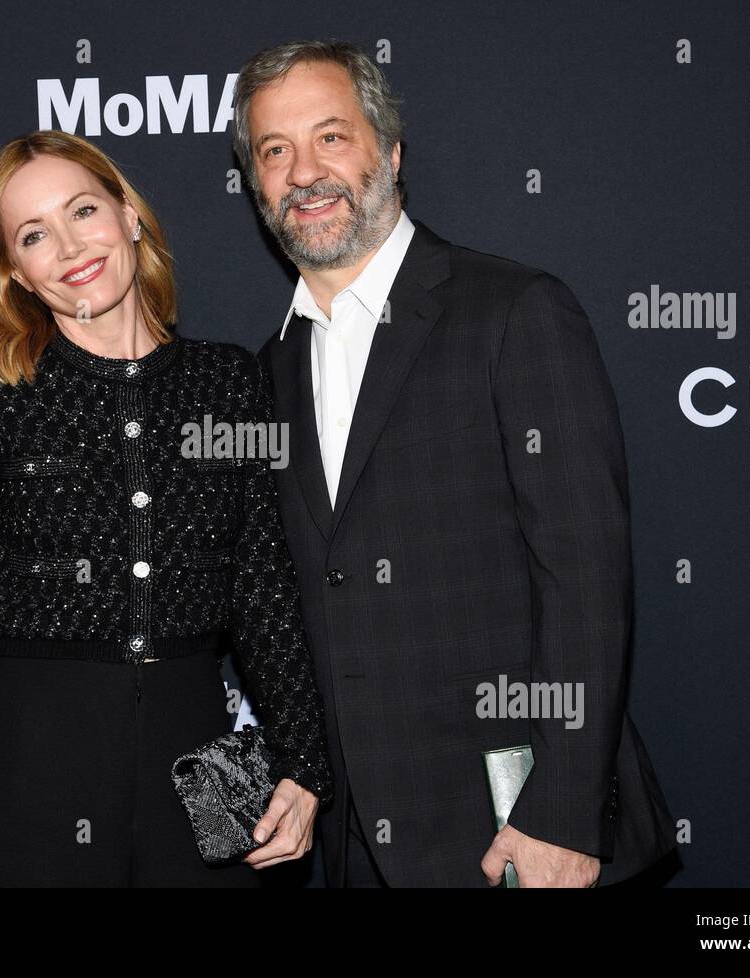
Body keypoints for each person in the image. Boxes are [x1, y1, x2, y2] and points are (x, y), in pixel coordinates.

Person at [232, 40, 678, 887]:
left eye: (331, 137)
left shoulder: (512, 312)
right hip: (358, 847)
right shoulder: (270, 371)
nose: (303, 171)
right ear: (257, 186)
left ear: (391, 153)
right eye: (274, 150)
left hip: (515, 834)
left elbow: (584, 578)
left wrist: (560, 813)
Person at [0, 130, 333, 886]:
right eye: (35, 235)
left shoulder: (229, 384)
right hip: (24, 769)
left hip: (202, 768)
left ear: (130, 216)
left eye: (84, 211)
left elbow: (263, 587)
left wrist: (302, 764)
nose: (68, 247)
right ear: (19, 274)